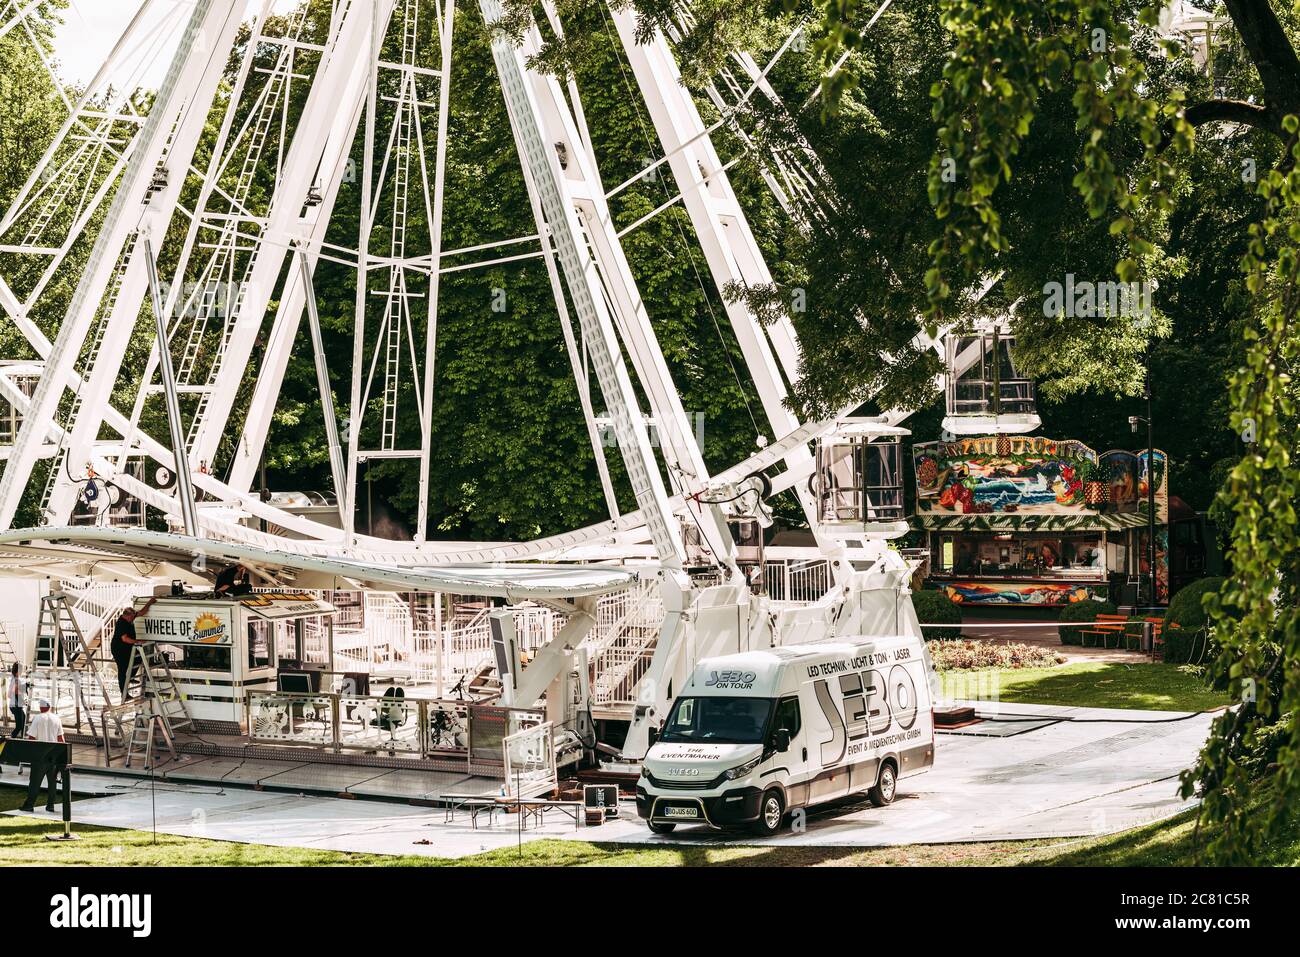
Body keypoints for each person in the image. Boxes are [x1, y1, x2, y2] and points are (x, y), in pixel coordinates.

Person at [19, 699, 65, 814]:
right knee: (52, 783)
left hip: (40, 755)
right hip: (53, 756)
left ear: (41, 708)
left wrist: (29, 754)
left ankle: (29, 805)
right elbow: (61, 739)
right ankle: (50, 806)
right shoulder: (57, 718)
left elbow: (31, 738)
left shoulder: (38, 718)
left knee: (35, 782)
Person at [111, 597, 157, 697]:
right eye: (132, 618)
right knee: (122, 669)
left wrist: (149, 602)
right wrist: (137, 641)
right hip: (119, 649)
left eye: (133, 617)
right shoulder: (121, 623)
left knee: (138, 658)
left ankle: (130, 676)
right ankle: (124, 693)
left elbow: (141, 612)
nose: (133, 619)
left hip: (128, 648)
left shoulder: (130, 618)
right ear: (126, 616)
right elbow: (125, 638)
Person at [7, 662, 27, 739]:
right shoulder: (16, 680)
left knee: (23, 722)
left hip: (13, 705)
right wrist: (22, 700)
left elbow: (9, 695)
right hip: (16, 706)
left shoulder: (13, 679)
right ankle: (10, 740)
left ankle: (22, 739)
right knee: (19, 726)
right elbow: (15, 692)